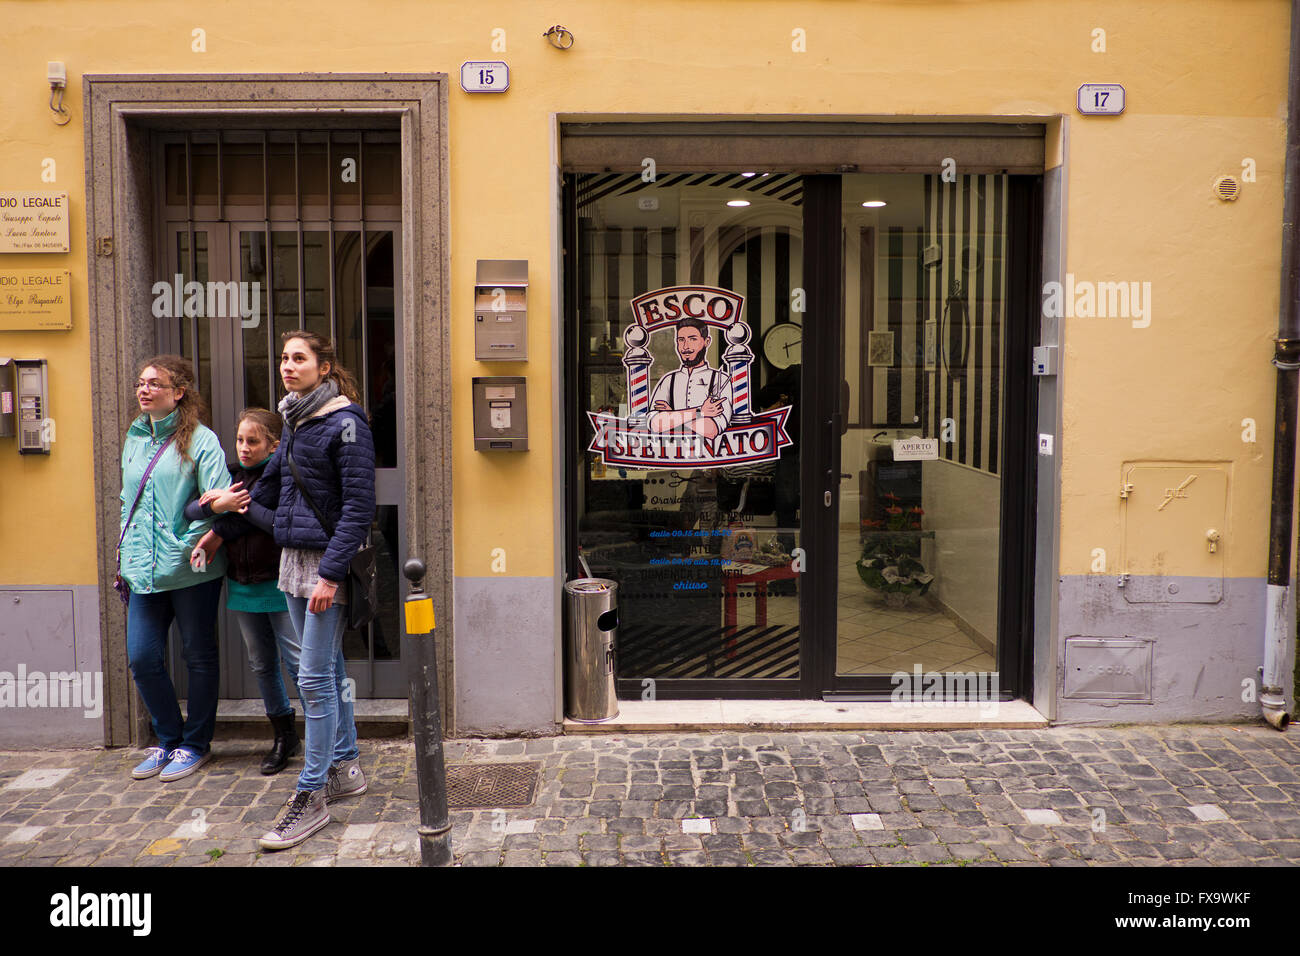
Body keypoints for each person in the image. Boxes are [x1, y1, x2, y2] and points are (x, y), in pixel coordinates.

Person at [255, 330, 375, 850]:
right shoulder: (295, 420)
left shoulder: (345, 423)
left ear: (324, 368)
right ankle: (345, 768)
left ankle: (311, 796)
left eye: (298, 358)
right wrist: (220, 516)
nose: (287, 366)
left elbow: (358, 507)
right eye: (283, 358)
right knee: (326, 670)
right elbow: (269, 491)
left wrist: (330, 575)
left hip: (326, 567)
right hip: (293, 562)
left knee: (312, 680)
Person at [120, 355, 230, 782]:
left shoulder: (202, 440)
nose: (144, 390)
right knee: (142, 657)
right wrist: (125, 550)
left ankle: (195, 744)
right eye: (140, 383)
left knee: (198, 656)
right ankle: (168, 739)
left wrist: (183, 545)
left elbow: (216, 498)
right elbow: (127, 502)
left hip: (189, 567)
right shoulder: (134, 438)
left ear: (179, 392)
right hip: (142, 569)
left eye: (155, 384)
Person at [187, 408, 302, 775]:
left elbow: (271, 524)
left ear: (274, 445)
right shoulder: (231, 477)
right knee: (261, 664)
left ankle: (322, 738)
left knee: (300, 664)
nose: (244, 447)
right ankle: (283, 735)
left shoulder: (284, 476)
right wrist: (219, 507)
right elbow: (192, 509)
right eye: (239, 440)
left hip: (279, 583)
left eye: (253, 441)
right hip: (242, 584)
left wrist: (224, 523)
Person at [647, 317, 733, 439]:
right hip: (672, 454)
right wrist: (700, 412)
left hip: (708, 456)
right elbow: (655, 424)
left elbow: (712, 430)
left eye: (693, 339)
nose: (686, 346)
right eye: (681, 340)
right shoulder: (668, 380)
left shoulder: (720, 379)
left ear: (706, 341)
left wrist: (672, 416)